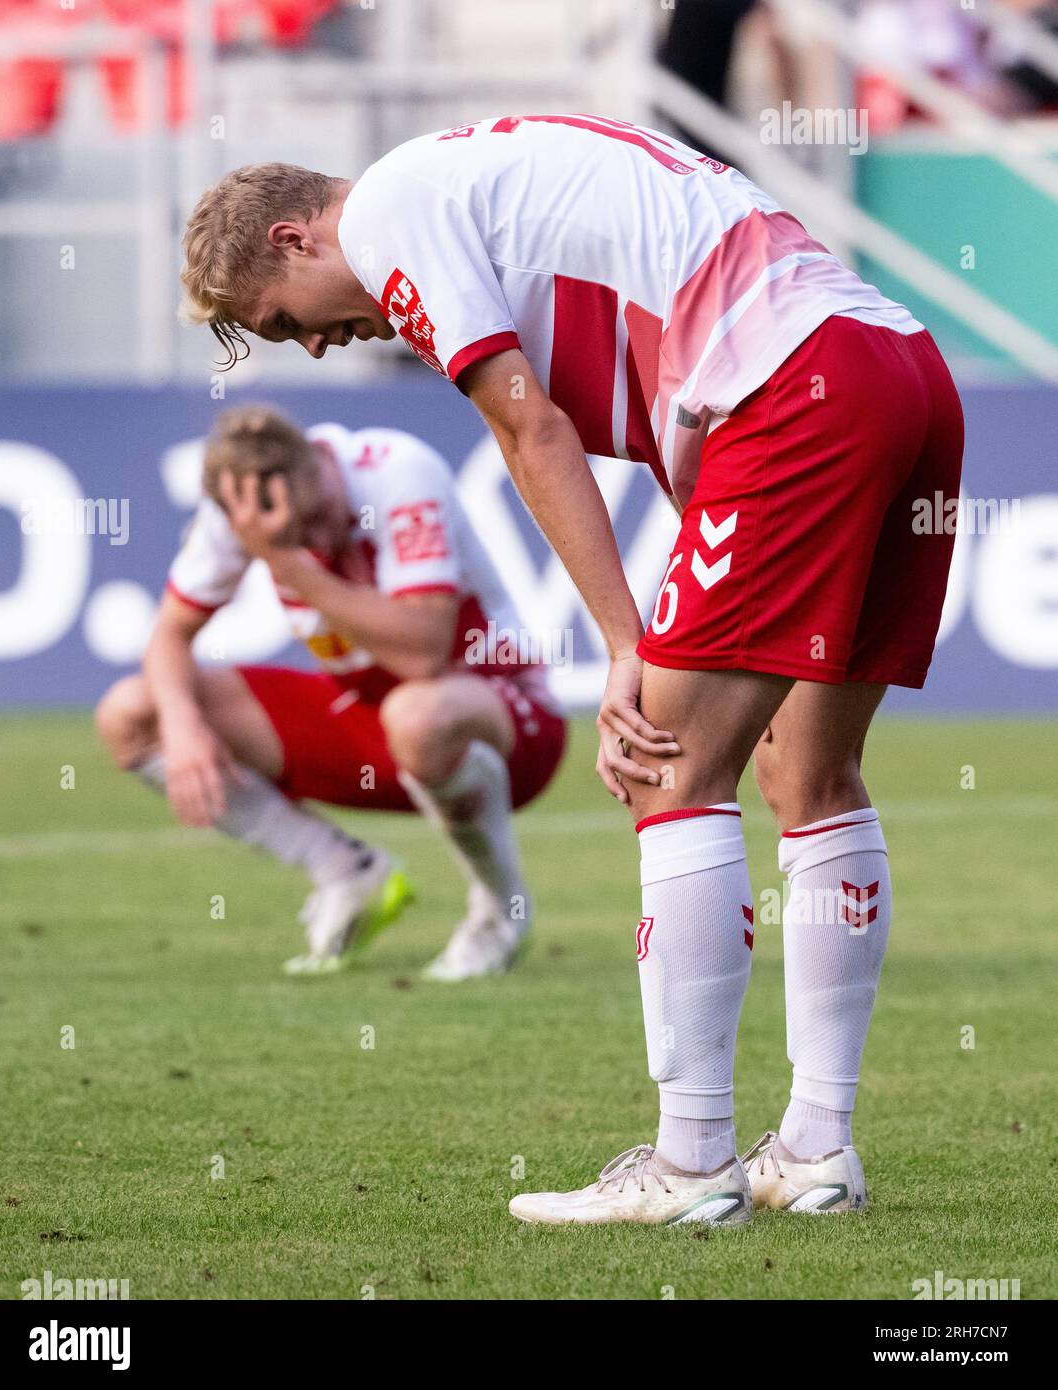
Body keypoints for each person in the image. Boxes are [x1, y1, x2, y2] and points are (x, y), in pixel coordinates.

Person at [179, 113, 963, 1224]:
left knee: (661, 767)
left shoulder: (397, 212)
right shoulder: (484, 193)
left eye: (280, 323)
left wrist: (625, 645)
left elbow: (525, 429)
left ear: (299, 238)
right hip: (895, 371)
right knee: (807, 778)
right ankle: (816, 1148)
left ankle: (692, 1166)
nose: (311, 346)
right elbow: (673, 411)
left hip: (791, 388)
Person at [95, 405, 566, 981]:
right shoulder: (241, 507)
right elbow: (169, 634)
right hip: (368, 718)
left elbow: (422, 652)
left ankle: (499, 910)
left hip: (496, 711)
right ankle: (347, 872)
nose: (316, 541)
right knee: (132, 713)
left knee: (416, 713)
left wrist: (288, 563)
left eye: (317, 519)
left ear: (320, 469)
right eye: (298, 538)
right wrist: (181, 721)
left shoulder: (395, 472)